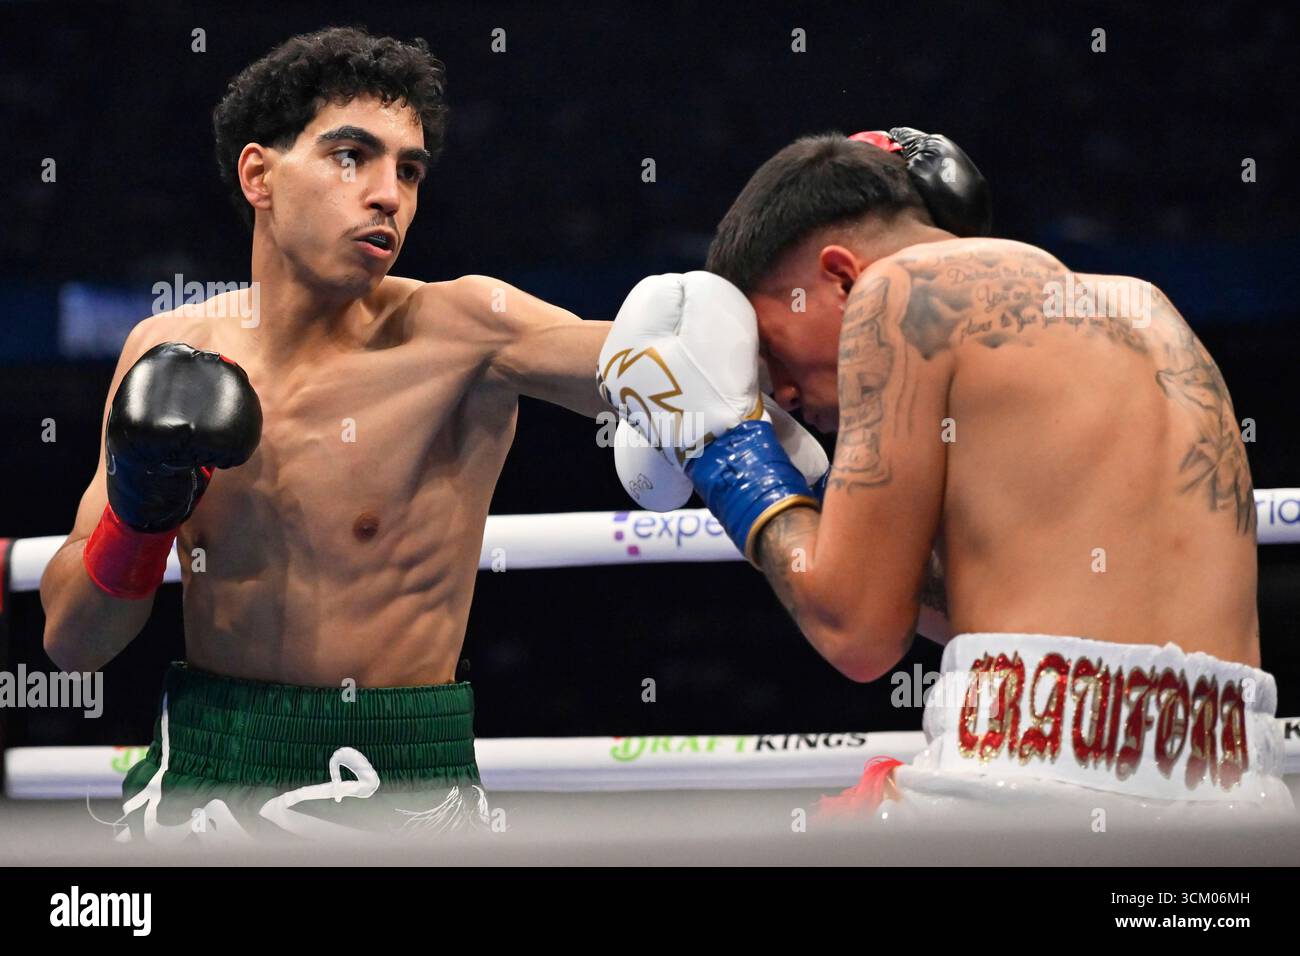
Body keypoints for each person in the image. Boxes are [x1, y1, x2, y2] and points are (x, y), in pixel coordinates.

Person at [599, 129, 1291, 823]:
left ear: (840, 277)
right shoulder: (1150, 310)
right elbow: (1054, 617)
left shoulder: (898, 295)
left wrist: (727, 452)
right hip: (1240, 796)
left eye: (771, 354)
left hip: (1027, 788)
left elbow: (860, 637)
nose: (779, 396)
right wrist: (808, 497)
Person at [39, 27, 610, 842]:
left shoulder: (467, 331)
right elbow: (73, 644)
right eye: (353, 156)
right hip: (203, 766)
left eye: (408, 171)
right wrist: (141, 514)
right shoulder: (169, 351)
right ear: (259, 175)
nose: (389, 195)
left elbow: (660, 368)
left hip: (400, 779)